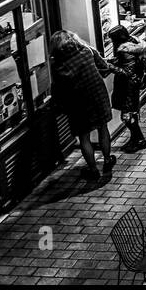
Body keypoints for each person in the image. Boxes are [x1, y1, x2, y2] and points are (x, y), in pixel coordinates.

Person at [49, 30, 115, 180]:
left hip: (77, 103)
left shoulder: (57, 64)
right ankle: (107, 160)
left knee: (83, 136)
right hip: (97, 96)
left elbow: (58, 88)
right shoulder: (87, 50)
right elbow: (104, 67)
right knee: (102, 128)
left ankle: (93, 169)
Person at [108, 26, 146, 153]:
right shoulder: (134, 42)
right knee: (132, 113)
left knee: (127, 116)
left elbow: (126, 71)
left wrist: (110, 67)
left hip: (127, 87)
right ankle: (134, 139)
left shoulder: (123, 50)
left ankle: (139, 140)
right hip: (134, 84)